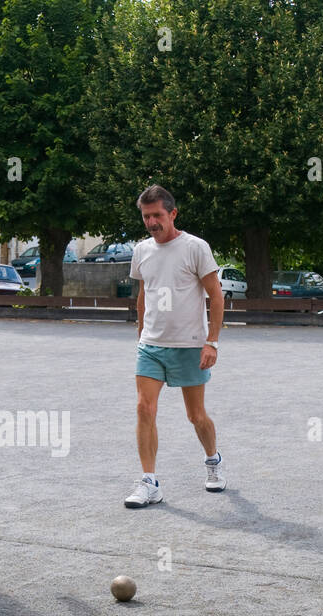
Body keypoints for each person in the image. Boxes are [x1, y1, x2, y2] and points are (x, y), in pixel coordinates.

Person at [123, 184, 226, 509]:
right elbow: (144, 294)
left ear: (173, 213)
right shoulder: (141, 251)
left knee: (195, 416)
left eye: (157, 215)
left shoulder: (196, 248)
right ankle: (149, 482)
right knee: (144, 408)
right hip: (151, 346)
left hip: (190, 347)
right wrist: (141, 334)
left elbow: (216, 295)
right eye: (146, 216)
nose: (152, 222)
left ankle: (213, 461)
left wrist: (212, 342)